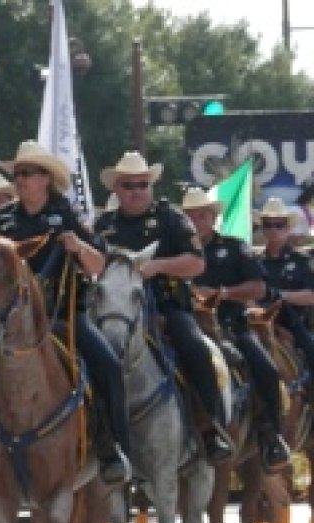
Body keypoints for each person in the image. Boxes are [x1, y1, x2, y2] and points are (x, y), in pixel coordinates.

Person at [0, 141, 131, 492]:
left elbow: (100, 266)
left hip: (63, 317)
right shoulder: (3, 220)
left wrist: (78, 247)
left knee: (108, 366)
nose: (19, 179)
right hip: (8, 323)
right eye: (17, 173)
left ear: (45, 179)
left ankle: (113, 448)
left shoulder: (68, 216)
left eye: (27, 173)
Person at [94, 151, 235, 466]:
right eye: (129, 185)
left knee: (196, 348)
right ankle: (95, 432)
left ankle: (209, 427)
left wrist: (157, 266)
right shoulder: (103, 224)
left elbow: (197, 263)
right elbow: (90, 264)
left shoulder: (172, 218)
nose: (137, 191)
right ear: (116, 189)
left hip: (166, 306)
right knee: (87, 355)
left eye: (143, 184)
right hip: (115, 309)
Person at [183, 188, 290, 473]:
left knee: (265, 368)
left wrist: (223, 293)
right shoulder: (175, 250)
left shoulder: (234, 247)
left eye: (201, 215)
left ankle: (270, 435)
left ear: (213, 217)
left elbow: (259, 287)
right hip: (184, 327)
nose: (195, 221)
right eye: (189, 216)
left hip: (231, 326)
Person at [257, 196, 314, 385]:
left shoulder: (301, 261)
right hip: (256, 321)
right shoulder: (253, 260)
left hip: (293, 323)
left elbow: (311, 296)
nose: (273, 230)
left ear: (288, 228)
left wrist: (281, 295)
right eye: (268, 225)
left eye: (279, 225)